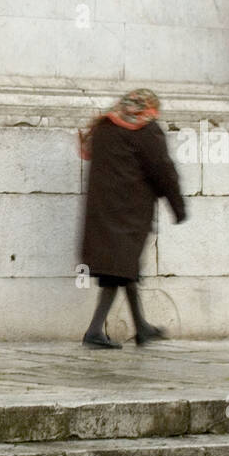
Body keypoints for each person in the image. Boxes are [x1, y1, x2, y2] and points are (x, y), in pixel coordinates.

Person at [77, 88, 186, 349]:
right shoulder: (147, 132)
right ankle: (94, 331)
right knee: (119, 272)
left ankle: (142, 328)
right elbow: (163, 171)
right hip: (130, 214)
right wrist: (178, 207)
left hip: (103, 211)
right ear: (148, 109)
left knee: (125, 270)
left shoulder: (104, 127)